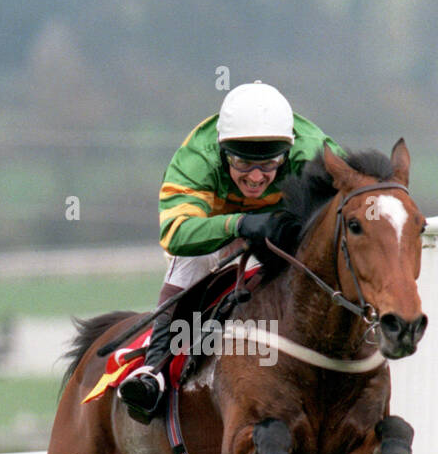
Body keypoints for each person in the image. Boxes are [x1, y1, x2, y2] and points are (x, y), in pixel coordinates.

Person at [118, 81, 345, 422]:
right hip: (213, 229)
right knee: (192, 260)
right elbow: (177, 232)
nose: (255, 177)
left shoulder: (316, 152)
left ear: (289, 152)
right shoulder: (197, 157)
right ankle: (154, 369)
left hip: (287, 224)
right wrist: (237, 225)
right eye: (242, 163)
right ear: (222, 152)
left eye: (269, 165)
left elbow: (352, 209)